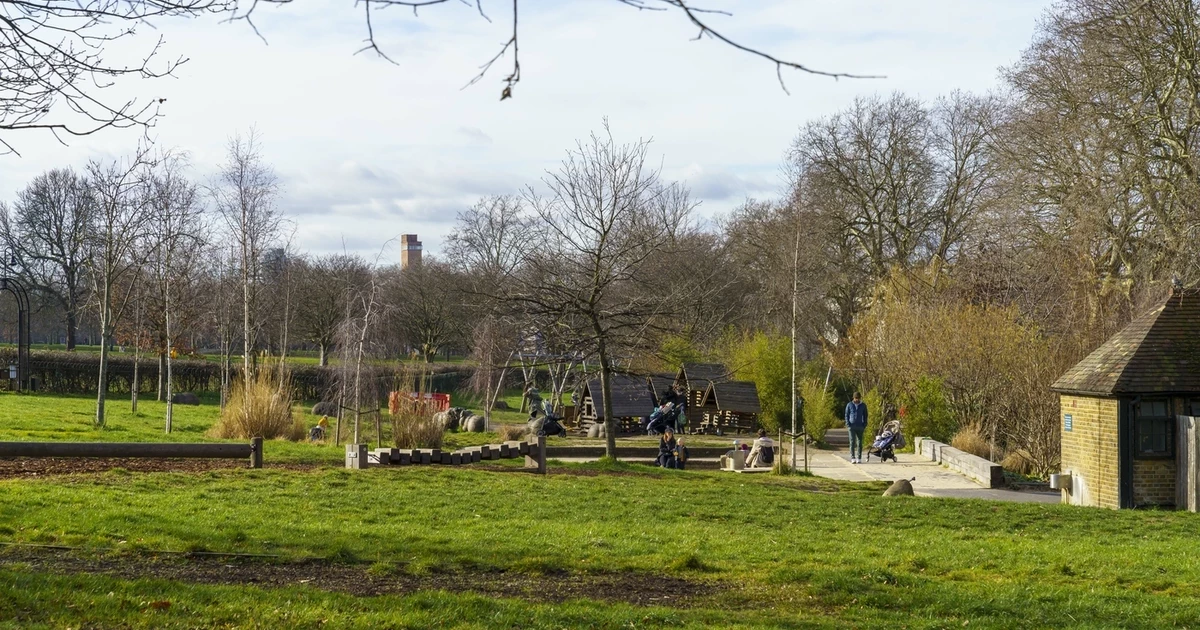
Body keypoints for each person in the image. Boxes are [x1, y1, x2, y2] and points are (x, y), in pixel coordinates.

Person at [845, 391, 868, 464]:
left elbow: (865, 415)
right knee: (852, 442)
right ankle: (853, 457)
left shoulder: (863, 405)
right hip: (851, 426)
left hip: (860, 426)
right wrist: (848, 424)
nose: (857, 399)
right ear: (853, 398)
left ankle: (859, 457)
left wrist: (864, 424)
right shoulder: (849, 405)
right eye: (856, 398)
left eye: (858, 398)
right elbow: (846, 415)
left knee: (860, 443)